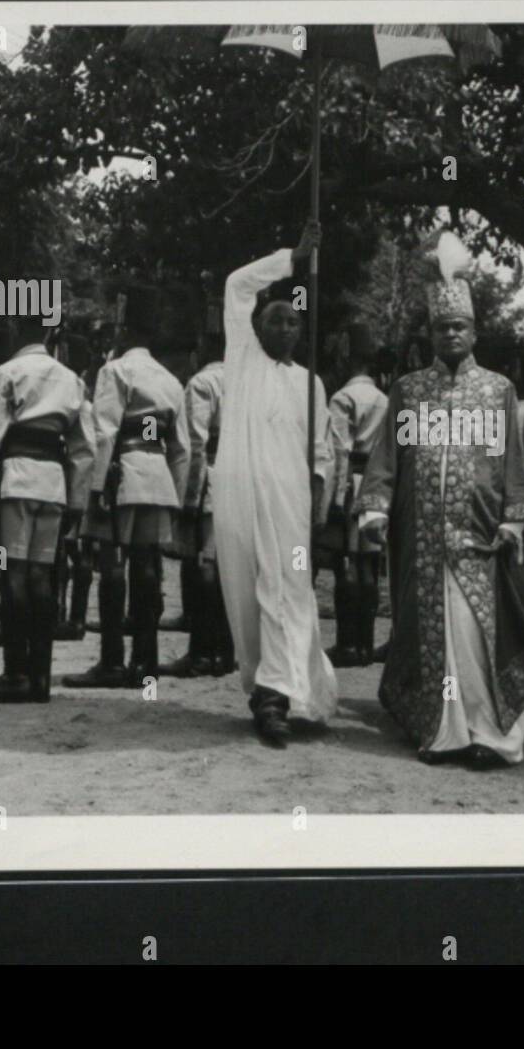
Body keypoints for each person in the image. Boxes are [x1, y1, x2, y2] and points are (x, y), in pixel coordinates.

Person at [356, 230, 524, 770]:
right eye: (442, 327)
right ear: (431, 333)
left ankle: (489, 734)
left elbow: (510, 461)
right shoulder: (408, 390)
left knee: (474, 636)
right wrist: (375, 505)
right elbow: (388, 456)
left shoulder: (496, 391)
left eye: (460, 327)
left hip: (478, 534)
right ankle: (441, 731)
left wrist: (514, 519)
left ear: (474, 332)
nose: (451, 334)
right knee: (428, 633)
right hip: (419, 537)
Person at [212, 222, 338, 746]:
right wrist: (292, 256)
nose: (285, 327)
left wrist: (319, 495)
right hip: (241, 496)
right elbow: (238, 286)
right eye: (275, 318)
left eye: (292, 321)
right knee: (247, 594)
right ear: (256, 327)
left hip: (290, 502)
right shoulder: (241, 362)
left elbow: (322, 450)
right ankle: (263, 683)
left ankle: (277, 696)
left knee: (289, 590)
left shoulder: (310, 382)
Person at [64, 286, 190, 690]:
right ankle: (147, 662)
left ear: (123, 329)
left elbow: (105, 433)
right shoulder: (170, 380)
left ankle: (113, 661)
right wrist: (178, 495)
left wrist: (96, 489)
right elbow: (182, 447)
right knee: (148, 567)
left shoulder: (115, 371)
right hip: (158, 479)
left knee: (112, 566)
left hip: (123, 475)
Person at [0, 313, 94, 702]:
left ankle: (15, 673)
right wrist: (76, 501)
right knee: (43, 576)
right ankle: (40, 678)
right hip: (53, 485)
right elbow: (84, 450)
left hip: (15, 483)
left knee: (10, 572)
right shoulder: (70, 379)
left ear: (17, 329)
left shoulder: (6, 374)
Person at [160, 329, 234, 677]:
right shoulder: (248, 380)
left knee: (206, 562)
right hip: (244, 478)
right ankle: (226, 649)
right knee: (230, 566)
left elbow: (196, 443)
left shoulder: (202, 383)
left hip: (213, 477)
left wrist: (187, 497)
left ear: (203, 348)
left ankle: (202, 651)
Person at [323, 322, 389, 668]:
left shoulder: (342, 398)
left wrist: (333, 500)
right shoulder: (384, 398)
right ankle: (364, 644)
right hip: (377, 484)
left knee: (346, 562)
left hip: (350, 483)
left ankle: (347, 644)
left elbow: (338, 451)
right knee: (369, 564)